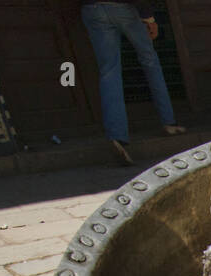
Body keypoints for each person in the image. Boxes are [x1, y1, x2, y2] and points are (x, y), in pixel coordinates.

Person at [79, 1, 186, 166]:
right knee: (150, 61)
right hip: (124, 8)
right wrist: (149, 19)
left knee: (109, 72)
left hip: (92, 8)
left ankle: (117, 136)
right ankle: (169, 122)